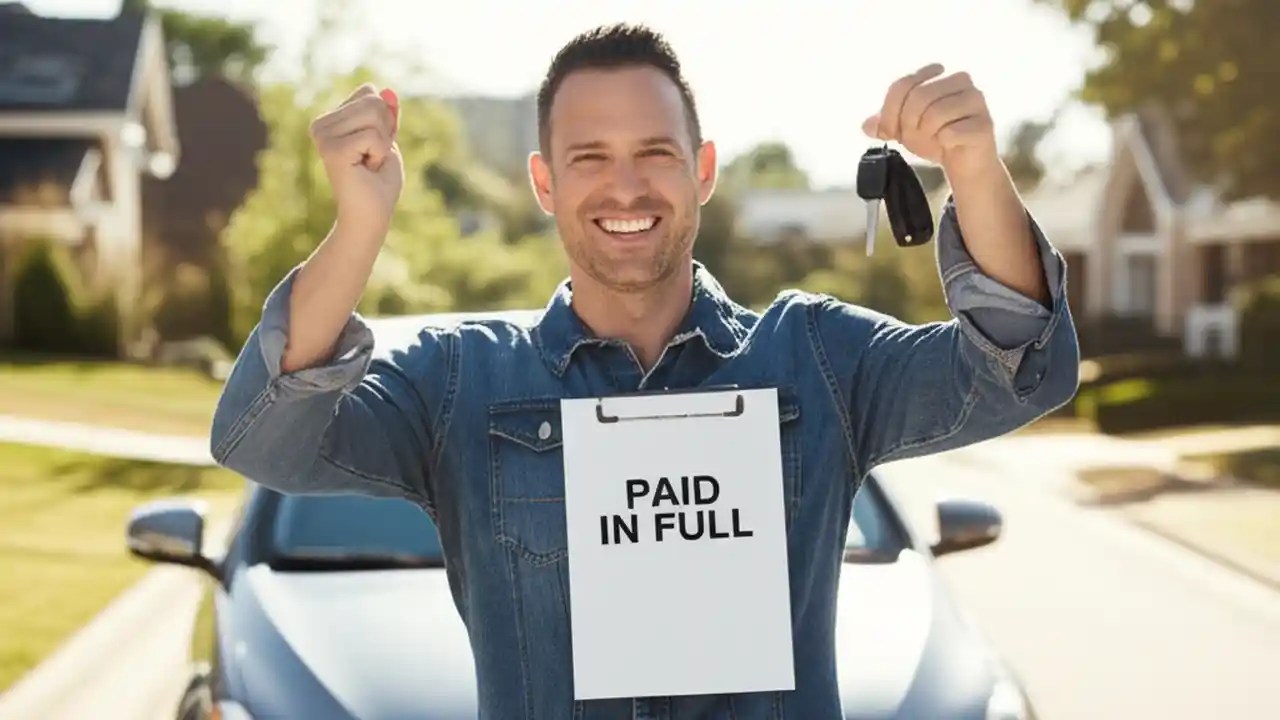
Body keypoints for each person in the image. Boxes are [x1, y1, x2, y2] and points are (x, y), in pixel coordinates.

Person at [211, 22, 1078, 720]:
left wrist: (972, 163)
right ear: (545, 184)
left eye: (655, 153)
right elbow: (266, 439)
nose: (625, 188)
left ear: (701, 172)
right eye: (589, 158)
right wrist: (359, 225)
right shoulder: (459, 384)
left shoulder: (816, 358)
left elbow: (1018, 367)